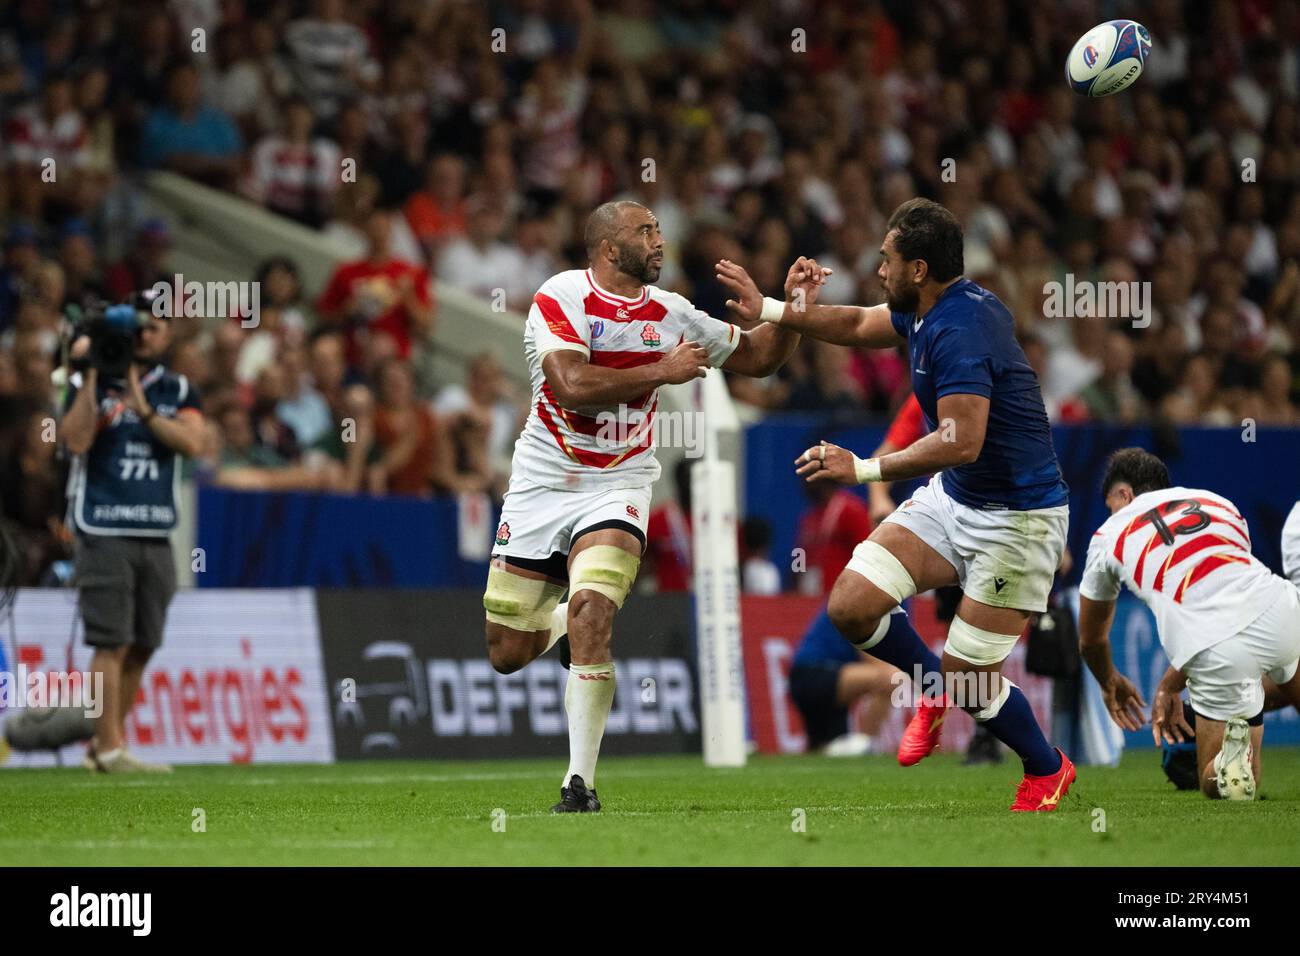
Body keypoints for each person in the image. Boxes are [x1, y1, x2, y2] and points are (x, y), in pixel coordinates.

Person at [717, 198, 1075, 811]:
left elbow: (963, 441)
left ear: (917, 269)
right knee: (851, 605)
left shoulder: (963, 327)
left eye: (887, 259)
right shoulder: (927, 307)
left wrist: (862, 468)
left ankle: (1047, 768)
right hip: (958, 500)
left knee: (971, 678)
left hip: (1018, 521)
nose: (877, 269)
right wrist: (774, 309)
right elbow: (857, 325)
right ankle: (930, 683)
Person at [483, 199, 801, 813]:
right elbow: (572, 388)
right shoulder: (561, 297)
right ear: (608, 248)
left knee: (595, 611)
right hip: (542, 484)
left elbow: (759, 359)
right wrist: (664, 369)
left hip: (620, 483)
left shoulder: (673, 312)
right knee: (506, 654)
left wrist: (787, 309)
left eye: (659, 230)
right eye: (646, 231)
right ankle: (562, 626)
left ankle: (580, 786)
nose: (660, 241)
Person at [1077, 448, 1300, 800]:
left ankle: (1232, 757)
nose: (1110, 514)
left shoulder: (1107, 537)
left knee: (1225, 783)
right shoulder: (1216, 501)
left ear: (1124, 494)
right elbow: (1234, 592)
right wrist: (1170, 685)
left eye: (1110, 506)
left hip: (1218, 648)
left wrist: (1109, 681)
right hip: (1282, 608)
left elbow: (1090, 641)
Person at [59, 302, 205, 773]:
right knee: (110, 642)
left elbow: (192, 444)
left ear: (165, 337)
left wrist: (144, 413)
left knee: (144, 641)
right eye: (136, 328)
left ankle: (105, 745)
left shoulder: (177, 388)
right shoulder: (89, 383)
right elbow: (75, 442)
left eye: (153, 328)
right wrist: (95, 376)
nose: (143, 336)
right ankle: (108, 750)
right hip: (104, 527)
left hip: (156, 529)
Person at [788, 608, 901, 755]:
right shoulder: (872, 598)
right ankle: (866, 744)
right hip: (814, 674)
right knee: (889, 678)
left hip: (816, 676)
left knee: (824, 749)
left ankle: (857, 746)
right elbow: (874, 657)